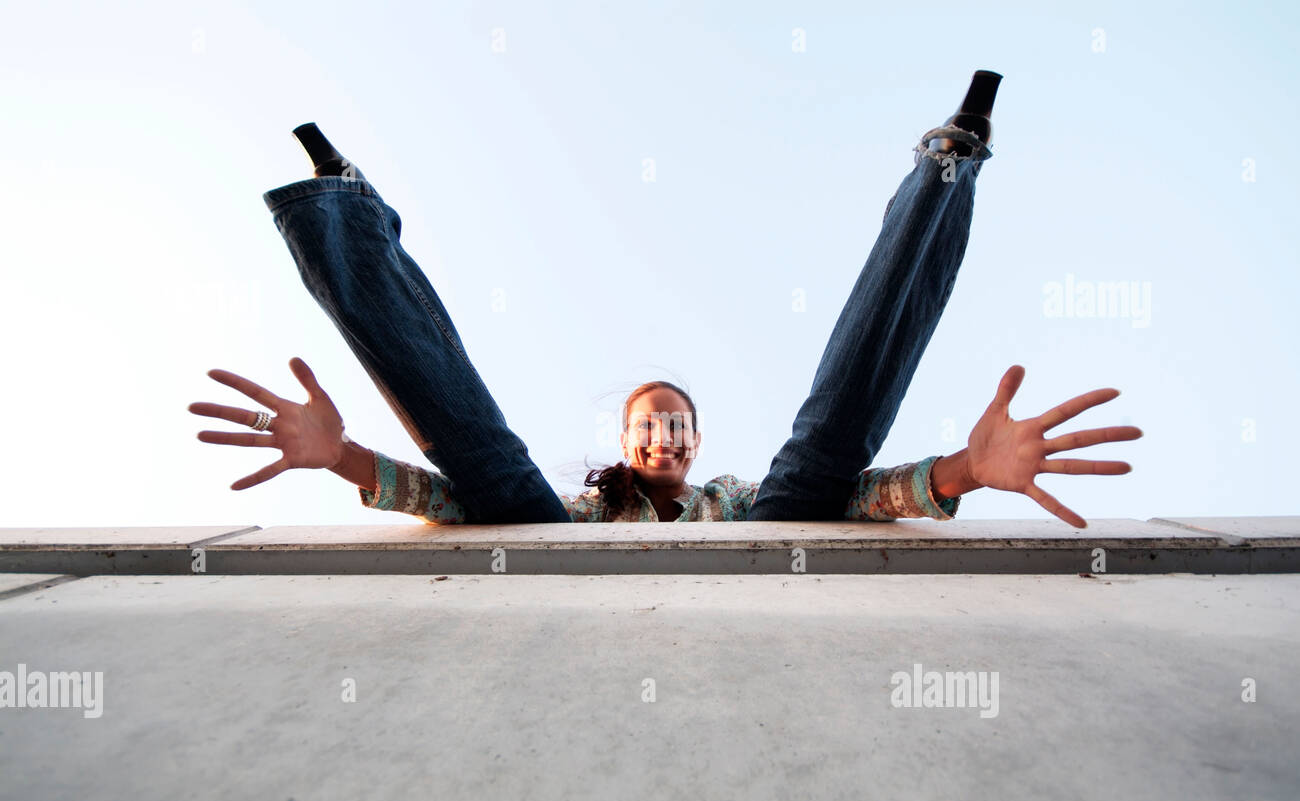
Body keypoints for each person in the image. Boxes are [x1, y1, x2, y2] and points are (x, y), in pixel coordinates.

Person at [190, 71, 1141, 529]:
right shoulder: (586, 506)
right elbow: (449, 495)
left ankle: (944, 171)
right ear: (626, 445)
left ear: (696, 443)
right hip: (561, 553)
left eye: (678, 426)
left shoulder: (732, 500)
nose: (664, 440)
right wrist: (342, 457)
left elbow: (860, 498)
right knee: (493, 471)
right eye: (650, 427)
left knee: (816, 466)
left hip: (760, 545)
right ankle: (350, 217)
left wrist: (961, 472)